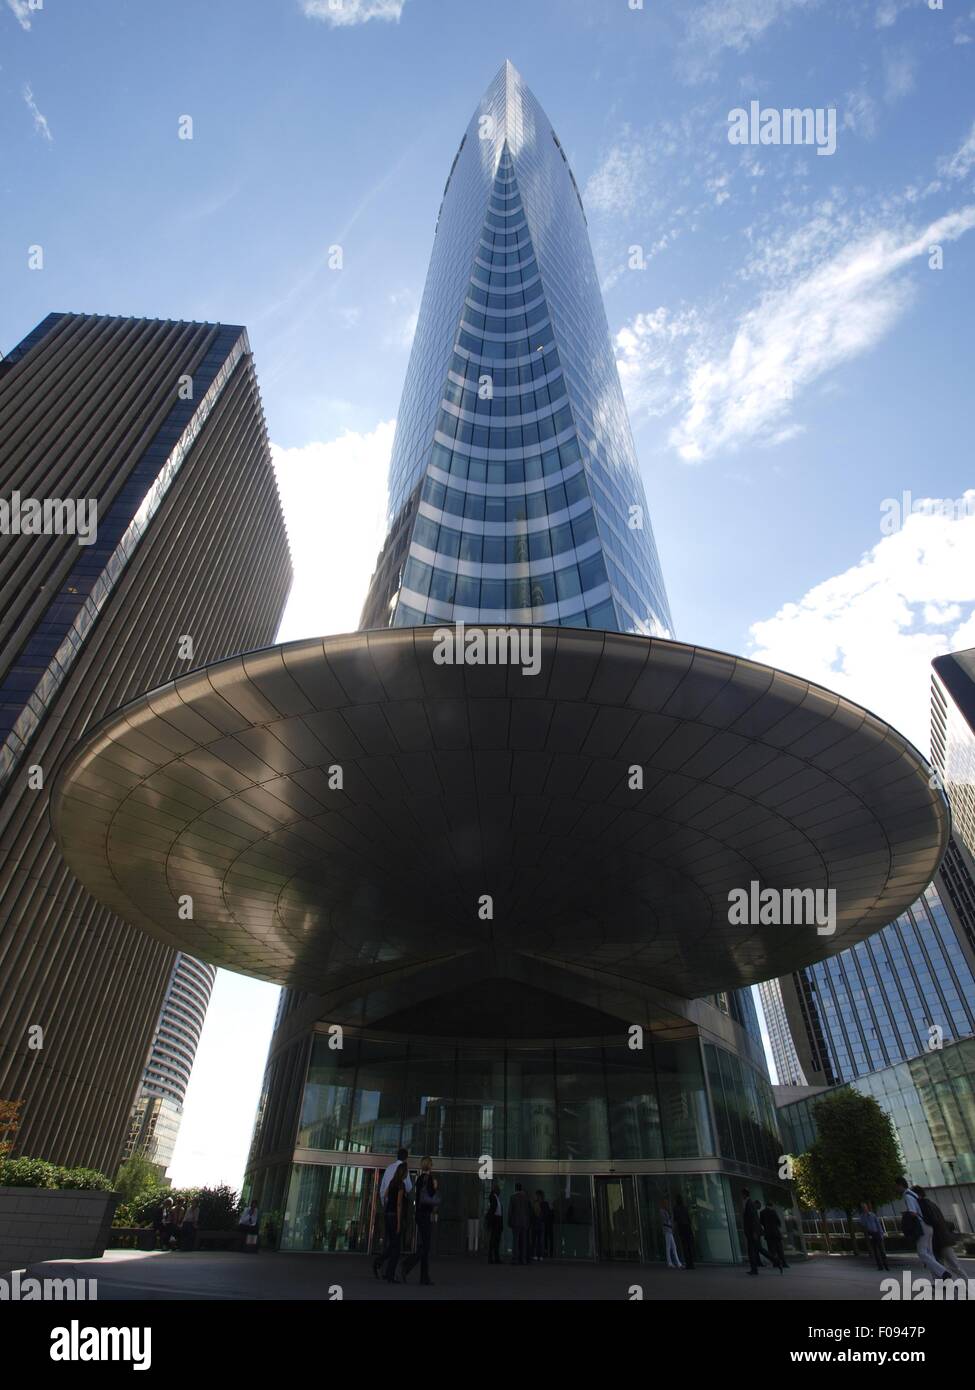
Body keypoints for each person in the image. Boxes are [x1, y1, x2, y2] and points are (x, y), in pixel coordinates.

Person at [895, 1177, 948, 1279]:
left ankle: (943, 1272)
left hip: (921, 1225)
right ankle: (938, 1280)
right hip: (928, 1225)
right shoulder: (913, 1194)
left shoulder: (907, 1195)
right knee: (929, 1254)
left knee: (922, 1253)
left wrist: (906, 1214)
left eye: (896, 1186)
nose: (895, 1189)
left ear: (900, 1185)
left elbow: (913, 1212)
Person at [373, 1149, 413, 1278]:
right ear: (406, 1158)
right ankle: (387, 1270)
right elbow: (407, 1192)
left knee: (389, 1242)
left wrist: (385, 1206)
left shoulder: (389, 1169)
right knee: (396, 1245)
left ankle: (383, 1268)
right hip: (396, 1214)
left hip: (388, 1211)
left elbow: (382, 1191)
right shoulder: (402, 1177)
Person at [401, 1156, 439, 1286]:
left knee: (424, 1246)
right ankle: (407, 1266)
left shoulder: (419, 1179)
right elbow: (430, 1197)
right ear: (430, 1165)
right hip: (424, 1215)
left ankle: (423, 1277)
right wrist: (435, 1187)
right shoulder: (429, 1180)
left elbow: (419, 1196)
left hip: (419, 1214)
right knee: (425, 1246)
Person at [915, 1185, 966, 1279]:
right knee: (951, 1265)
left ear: (917, 1195)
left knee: (945, 1265)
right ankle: (964, 1286)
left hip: (938, 1240)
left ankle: (965, 1286)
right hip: (942, 1239)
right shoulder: (930, 1204)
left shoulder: (923, 1205)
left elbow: (932, 1221)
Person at [380, 1161, 407, 1283]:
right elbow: (399, 1204)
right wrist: (399, 1222)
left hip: (388, 1215)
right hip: (394, 1216)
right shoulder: (401, 1185)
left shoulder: (391, 1183)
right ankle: (389, 1274)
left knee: (392, 1245)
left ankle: (381, 1264)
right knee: (396, 1249)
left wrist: (386, 1207)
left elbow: (385, 1195)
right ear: (404, 1173)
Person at [856, 1201, 889, 1271]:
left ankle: (886, 1265)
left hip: (876, 1233)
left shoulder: (872, 1215)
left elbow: (878, 1224)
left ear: (867, 1207)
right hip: (870, 1233)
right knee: (875, 1251)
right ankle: (880, 1266)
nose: (864, 1208)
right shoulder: (862, 1217)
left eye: (865, 1207)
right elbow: (862, 1225)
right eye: (863, 1207)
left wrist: (881, 1233)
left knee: (882, 1250)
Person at [508, 1183, 531, 1265]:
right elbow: (528, 1211)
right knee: (524, 1242)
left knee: (515, 1241)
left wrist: (509, 1221)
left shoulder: (513, 1197)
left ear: (515, 1188)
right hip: (524, 1222)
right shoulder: (526, 1197)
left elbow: (510, 1211)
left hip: (516, 1222)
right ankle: (523, 1259)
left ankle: (515, 1259)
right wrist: (528, 1221)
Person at [760, 1201, 786, 1272]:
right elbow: (778, 1222)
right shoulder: (773, 1212)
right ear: (771, 1206)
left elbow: (761, 1222)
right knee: (779, 1248)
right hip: (776, 1233)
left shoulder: (762, 1212)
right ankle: (783, 1262)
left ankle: (775, 1263)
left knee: (771, 1249)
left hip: (768, 1233)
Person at [742, 1189, 762, 1275]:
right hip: (752, 1231)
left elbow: (753, 1219)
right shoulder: (750, 1203)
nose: (741, 1197)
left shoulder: (749, 1203)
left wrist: (753, 1232)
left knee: (752, 1251)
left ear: (744, 1195)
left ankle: (754, 1269)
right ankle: (754, 1269)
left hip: (751, 1232)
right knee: (757, 1249)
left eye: (742, 1195)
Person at [673, 1194, 695, 1270]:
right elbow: (688, 1218)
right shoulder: (685, 1207)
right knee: (689, 1246)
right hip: (687, 1227)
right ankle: (691, 1264)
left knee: (684, 1246)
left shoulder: (676, 1208)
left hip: (681, 1228)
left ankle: (688, 1264)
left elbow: (675, 1219)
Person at [660, 1200, 683, 1268]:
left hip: (669, 1230)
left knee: (673, 1247)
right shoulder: (662, 1211)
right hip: (667, 1230)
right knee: (669, 1247)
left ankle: (677, 1263)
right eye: (666, 1203)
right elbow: (665, 1220)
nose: (667, 1205)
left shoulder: (666, 1211)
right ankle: (670, 1263)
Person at [486, 1183, 503, 1265]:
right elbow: (492, 1209)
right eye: (498, 1189)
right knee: (493, 1240)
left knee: (496, 1240)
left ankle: (496, 1258)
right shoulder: (493, 1197)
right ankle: (491, 1258)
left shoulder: (497, 1198)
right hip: (495, 1220)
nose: (500, 1191)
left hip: (498, 1220)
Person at [464, 1176, 481, 1256]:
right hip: (474, 1216)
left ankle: (472, 1249)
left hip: (472, 1216)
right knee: (474, 1234)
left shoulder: (471, 1196)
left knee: (472, 1234)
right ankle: (473, 1249)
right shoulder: (476, 1196)